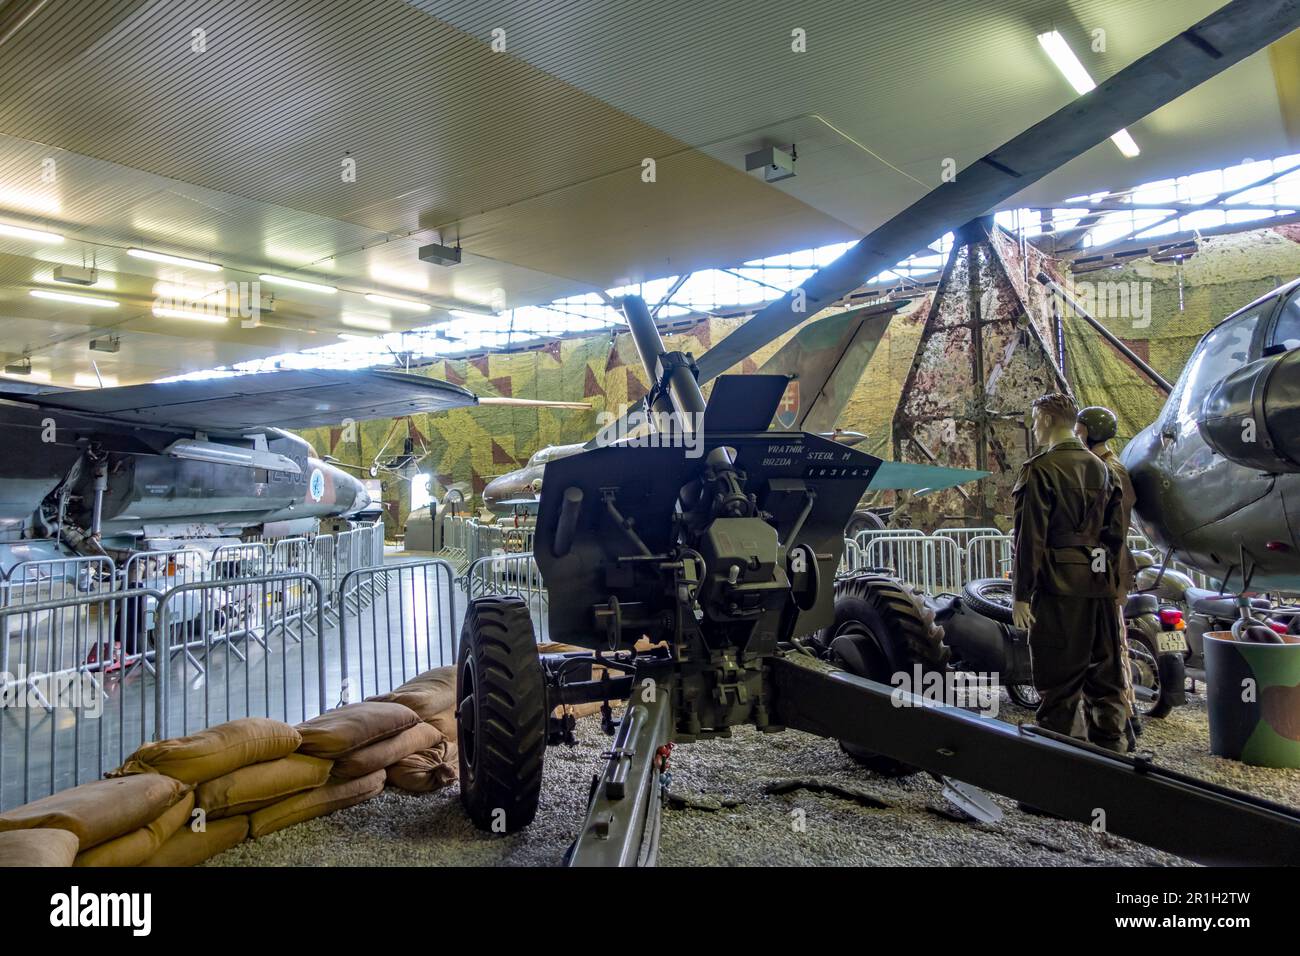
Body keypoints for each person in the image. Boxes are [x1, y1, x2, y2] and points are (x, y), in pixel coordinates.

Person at [1011, 392, 1128, 752]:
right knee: (1105, 681)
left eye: (1034, 419)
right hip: (1099, 586)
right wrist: (1101, 575)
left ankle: (1055, 778)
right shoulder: (1104, 469)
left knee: (1058, 684)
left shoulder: (1040, 469)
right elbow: (1115, 537)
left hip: (1057, 588)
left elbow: (1030, 540)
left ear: (1046, 420)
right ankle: (1113, 758)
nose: (1033, 426)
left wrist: (1020, 595)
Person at [1076, 405, 1140, 745]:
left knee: (1113, 650)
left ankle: (1123, 722)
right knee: (1110, 649)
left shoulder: (1106, 470)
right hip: (1108, 571)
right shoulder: (1108, 468)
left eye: (1080, 429)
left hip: (1108, 573)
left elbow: (1110, 530)